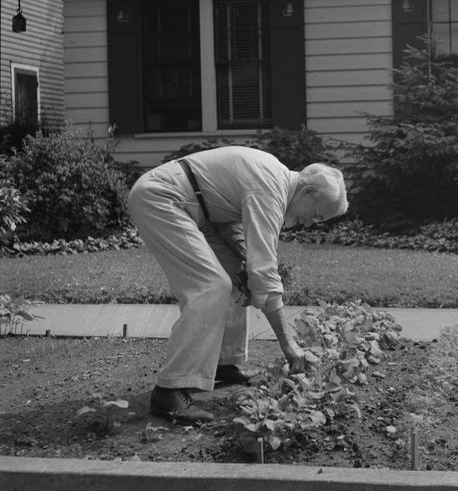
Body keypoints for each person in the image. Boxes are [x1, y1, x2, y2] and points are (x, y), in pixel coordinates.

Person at [127, 146, 348, 424]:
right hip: (162, 198)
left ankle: (222, 362)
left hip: (195, 208)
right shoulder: (270, 189)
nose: (311, 223)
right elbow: (264, 271)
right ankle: (169, 390)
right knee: (211, 287)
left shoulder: (273, 180)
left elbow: (233, 228)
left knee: (235, 278)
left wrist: (244, 262)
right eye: (317, 215)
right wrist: (289, 344)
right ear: (308, 192)